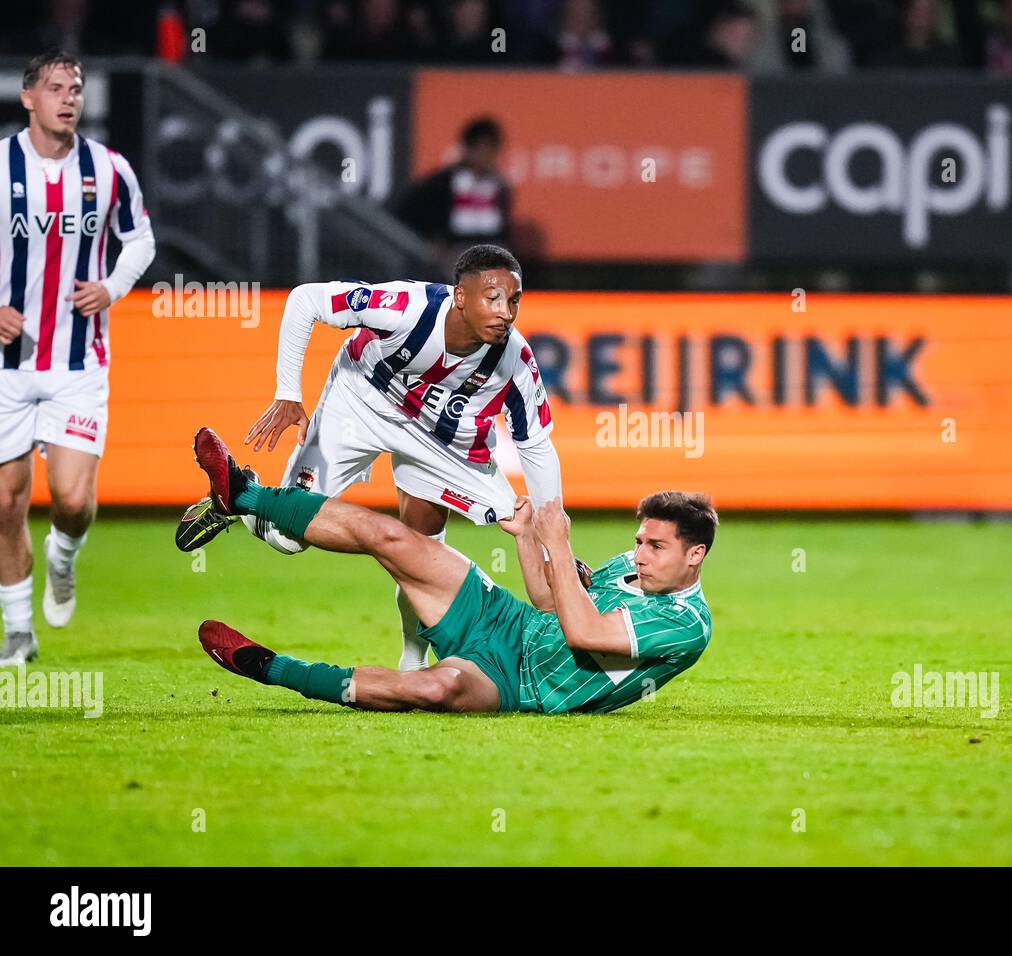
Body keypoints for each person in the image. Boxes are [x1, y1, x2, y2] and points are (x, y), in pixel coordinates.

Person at [175, 244, 566, 672]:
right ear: (459, 296)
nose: (506, 312)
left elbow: (535, 446)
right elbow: (305, 299)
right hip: (361, 402)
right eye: (493, 298)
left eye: (514, 301)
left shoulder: (516, 359)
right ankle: (242, 495)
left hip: (441, 441)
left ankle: (413, 661)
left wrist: (555, 539)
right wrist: (288, 392)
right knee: (287, 538)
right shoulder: (406, 307)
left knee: (425, 550)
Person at [188, 427, 715, 715]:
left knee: (434, 690)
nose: (640, 553)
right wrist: (531, 540)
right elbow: (550, 603)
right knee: (393, 538)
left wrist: (558, 540)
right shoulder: (631, 568)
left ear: (695, 555)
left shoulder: (686, 622)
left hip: (516, 684)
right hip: (504, 621)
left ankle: (270, 668)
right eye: (640, 540)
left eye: (656, 546)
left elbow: (582, 632)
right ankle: (244, 493)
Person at [0, 51, 155, 665]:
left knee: (70, 498)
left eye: (77, 88)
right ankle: (17, 632)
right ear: (29, 98)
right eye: (56, 88)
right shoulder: (1, 165)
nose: (69, 98)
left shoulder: (108, 168)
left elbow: (140, 239)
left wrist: (112, 288)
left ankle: (63, 557)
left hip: (77, 363)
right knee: (7, 501)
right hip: (7, 368)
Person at [390, 118, 512, 281]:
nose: (489, 157)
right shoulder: (444, 182)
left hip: (494, 250)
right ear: (470, 149)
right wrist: (433, 239)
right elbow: (408, 210)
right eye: (484, 150)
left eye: (493, 151)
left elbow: (501, 227)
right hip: (457, 252)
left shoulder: (498, 185)